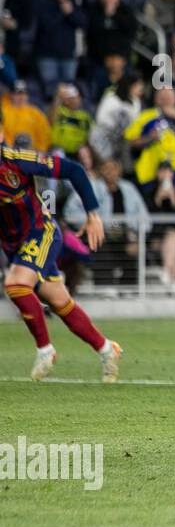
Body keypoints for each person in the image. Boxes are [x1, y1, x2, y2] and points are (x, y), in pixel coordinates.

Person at [1, 119, 122, 382]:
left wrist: (93, 214)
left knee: (15, 284)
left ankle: (45, 349)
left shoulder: (17, 160)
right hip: (13, 246)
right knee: (59, 302)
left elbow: (74, 170)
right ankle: (106, 349)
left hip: (40, 232)